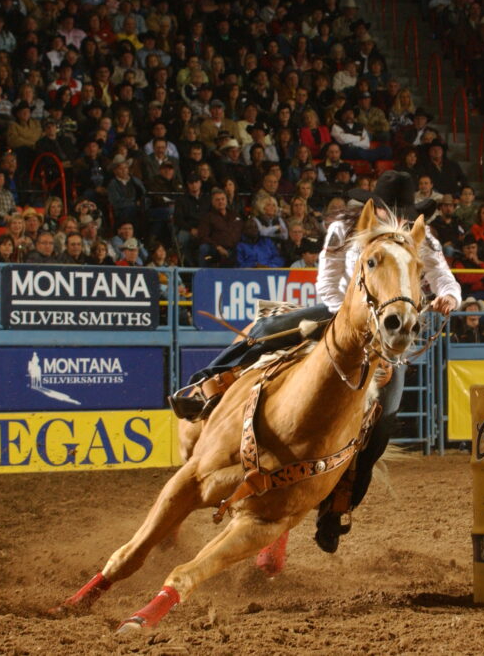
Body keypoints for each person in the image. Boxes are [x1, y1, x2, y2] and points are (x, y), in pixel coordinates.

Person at [167, 170, 459, 554]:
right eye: (393, 210)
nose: (398, 218)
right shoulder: (346, 230)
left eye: (405, 212)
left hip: (387, 333)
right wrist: (350, 320)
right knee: (269, 326)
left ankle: (338, 504)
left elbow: (444, 278)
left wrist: (449, 298)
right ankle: (205, 386)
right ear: (378, 207)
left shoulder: (423, 241)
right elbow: (327, 280)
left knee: (385, 416)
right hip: (341, 313)